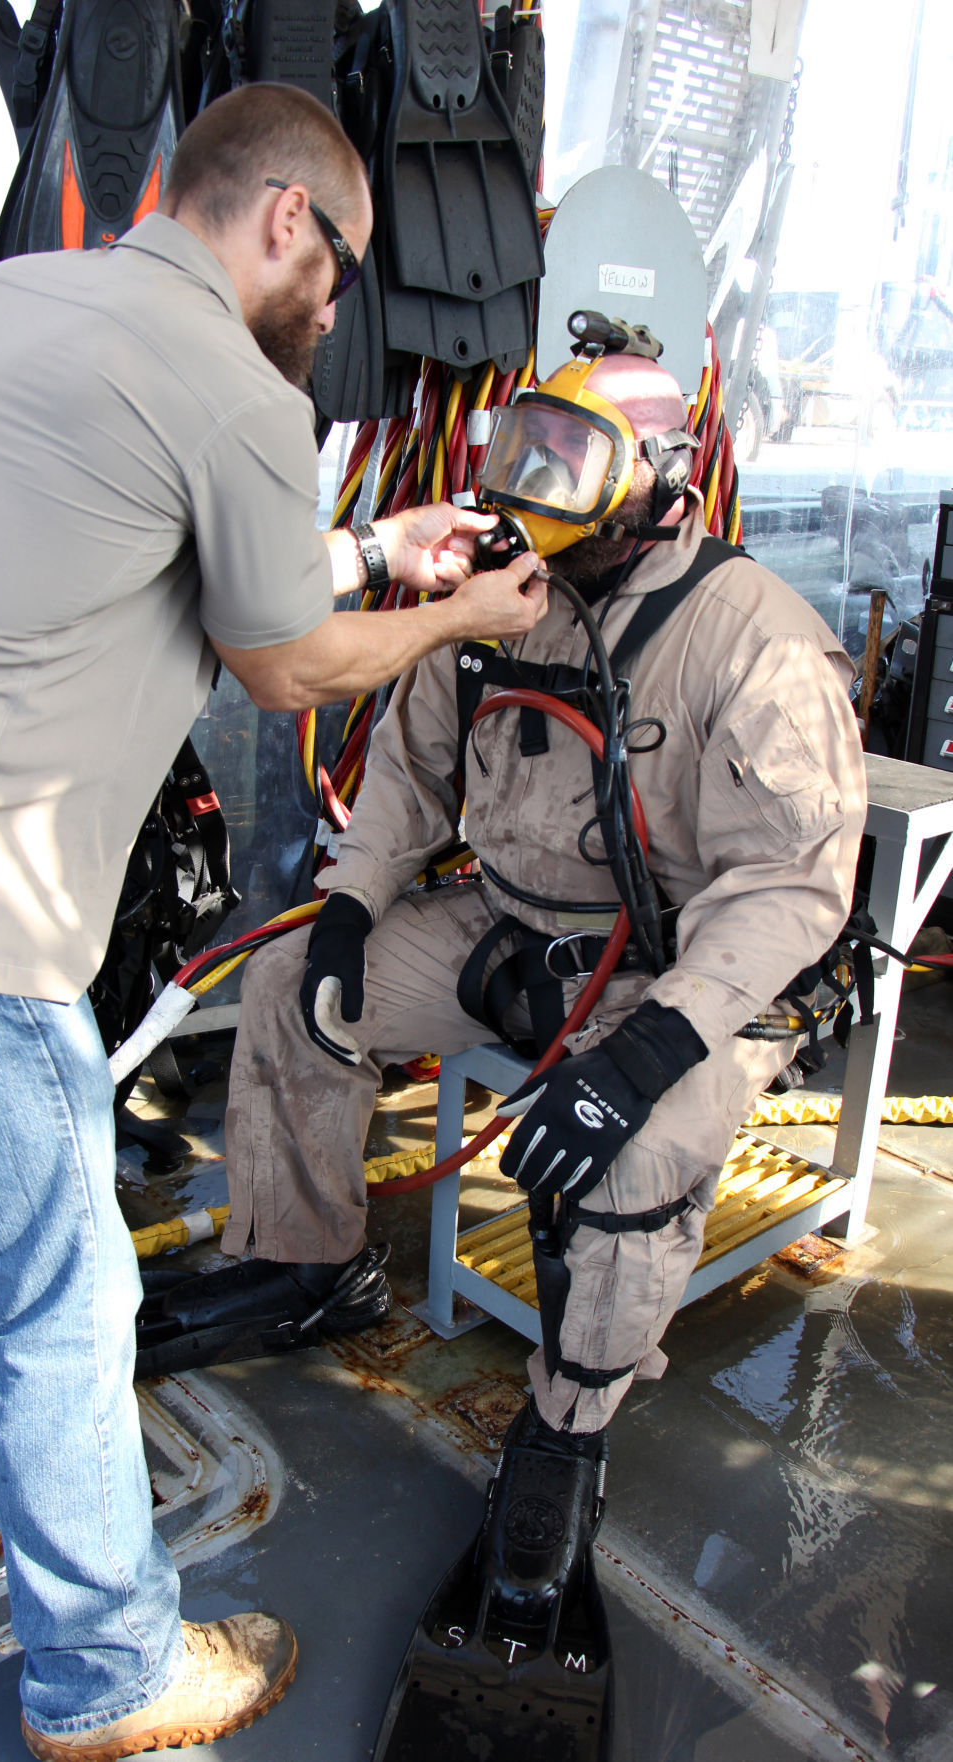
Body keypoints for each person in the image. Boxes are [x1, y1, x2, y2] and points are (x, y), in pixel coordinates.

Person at [0, 84, 546, 1762]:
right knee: (61, 1302)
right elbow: (286, 666)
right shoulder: (234, 385)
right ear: (284, 219)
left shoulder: (14, 303)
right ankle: (106, 1677)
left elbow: (159, 541)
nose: (336, 311)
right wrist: (463, 613)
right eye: (339, 269)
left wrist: (376, 545)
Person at [151, 345, 867, 1503]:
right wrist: (349, 906)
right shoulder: (499, 604)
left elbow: (790, 884)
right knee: (288, 986)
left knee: (632, 1152)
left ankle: (569, 1421)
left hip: (675, 970)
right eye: (525, 450)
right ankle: (308, 1267)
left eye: (567, 460)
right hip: (506, 920)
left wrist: (645, 1052)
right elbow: (409, 769)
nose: (530, 486)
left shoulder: (752, 638)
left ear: (657, 479)